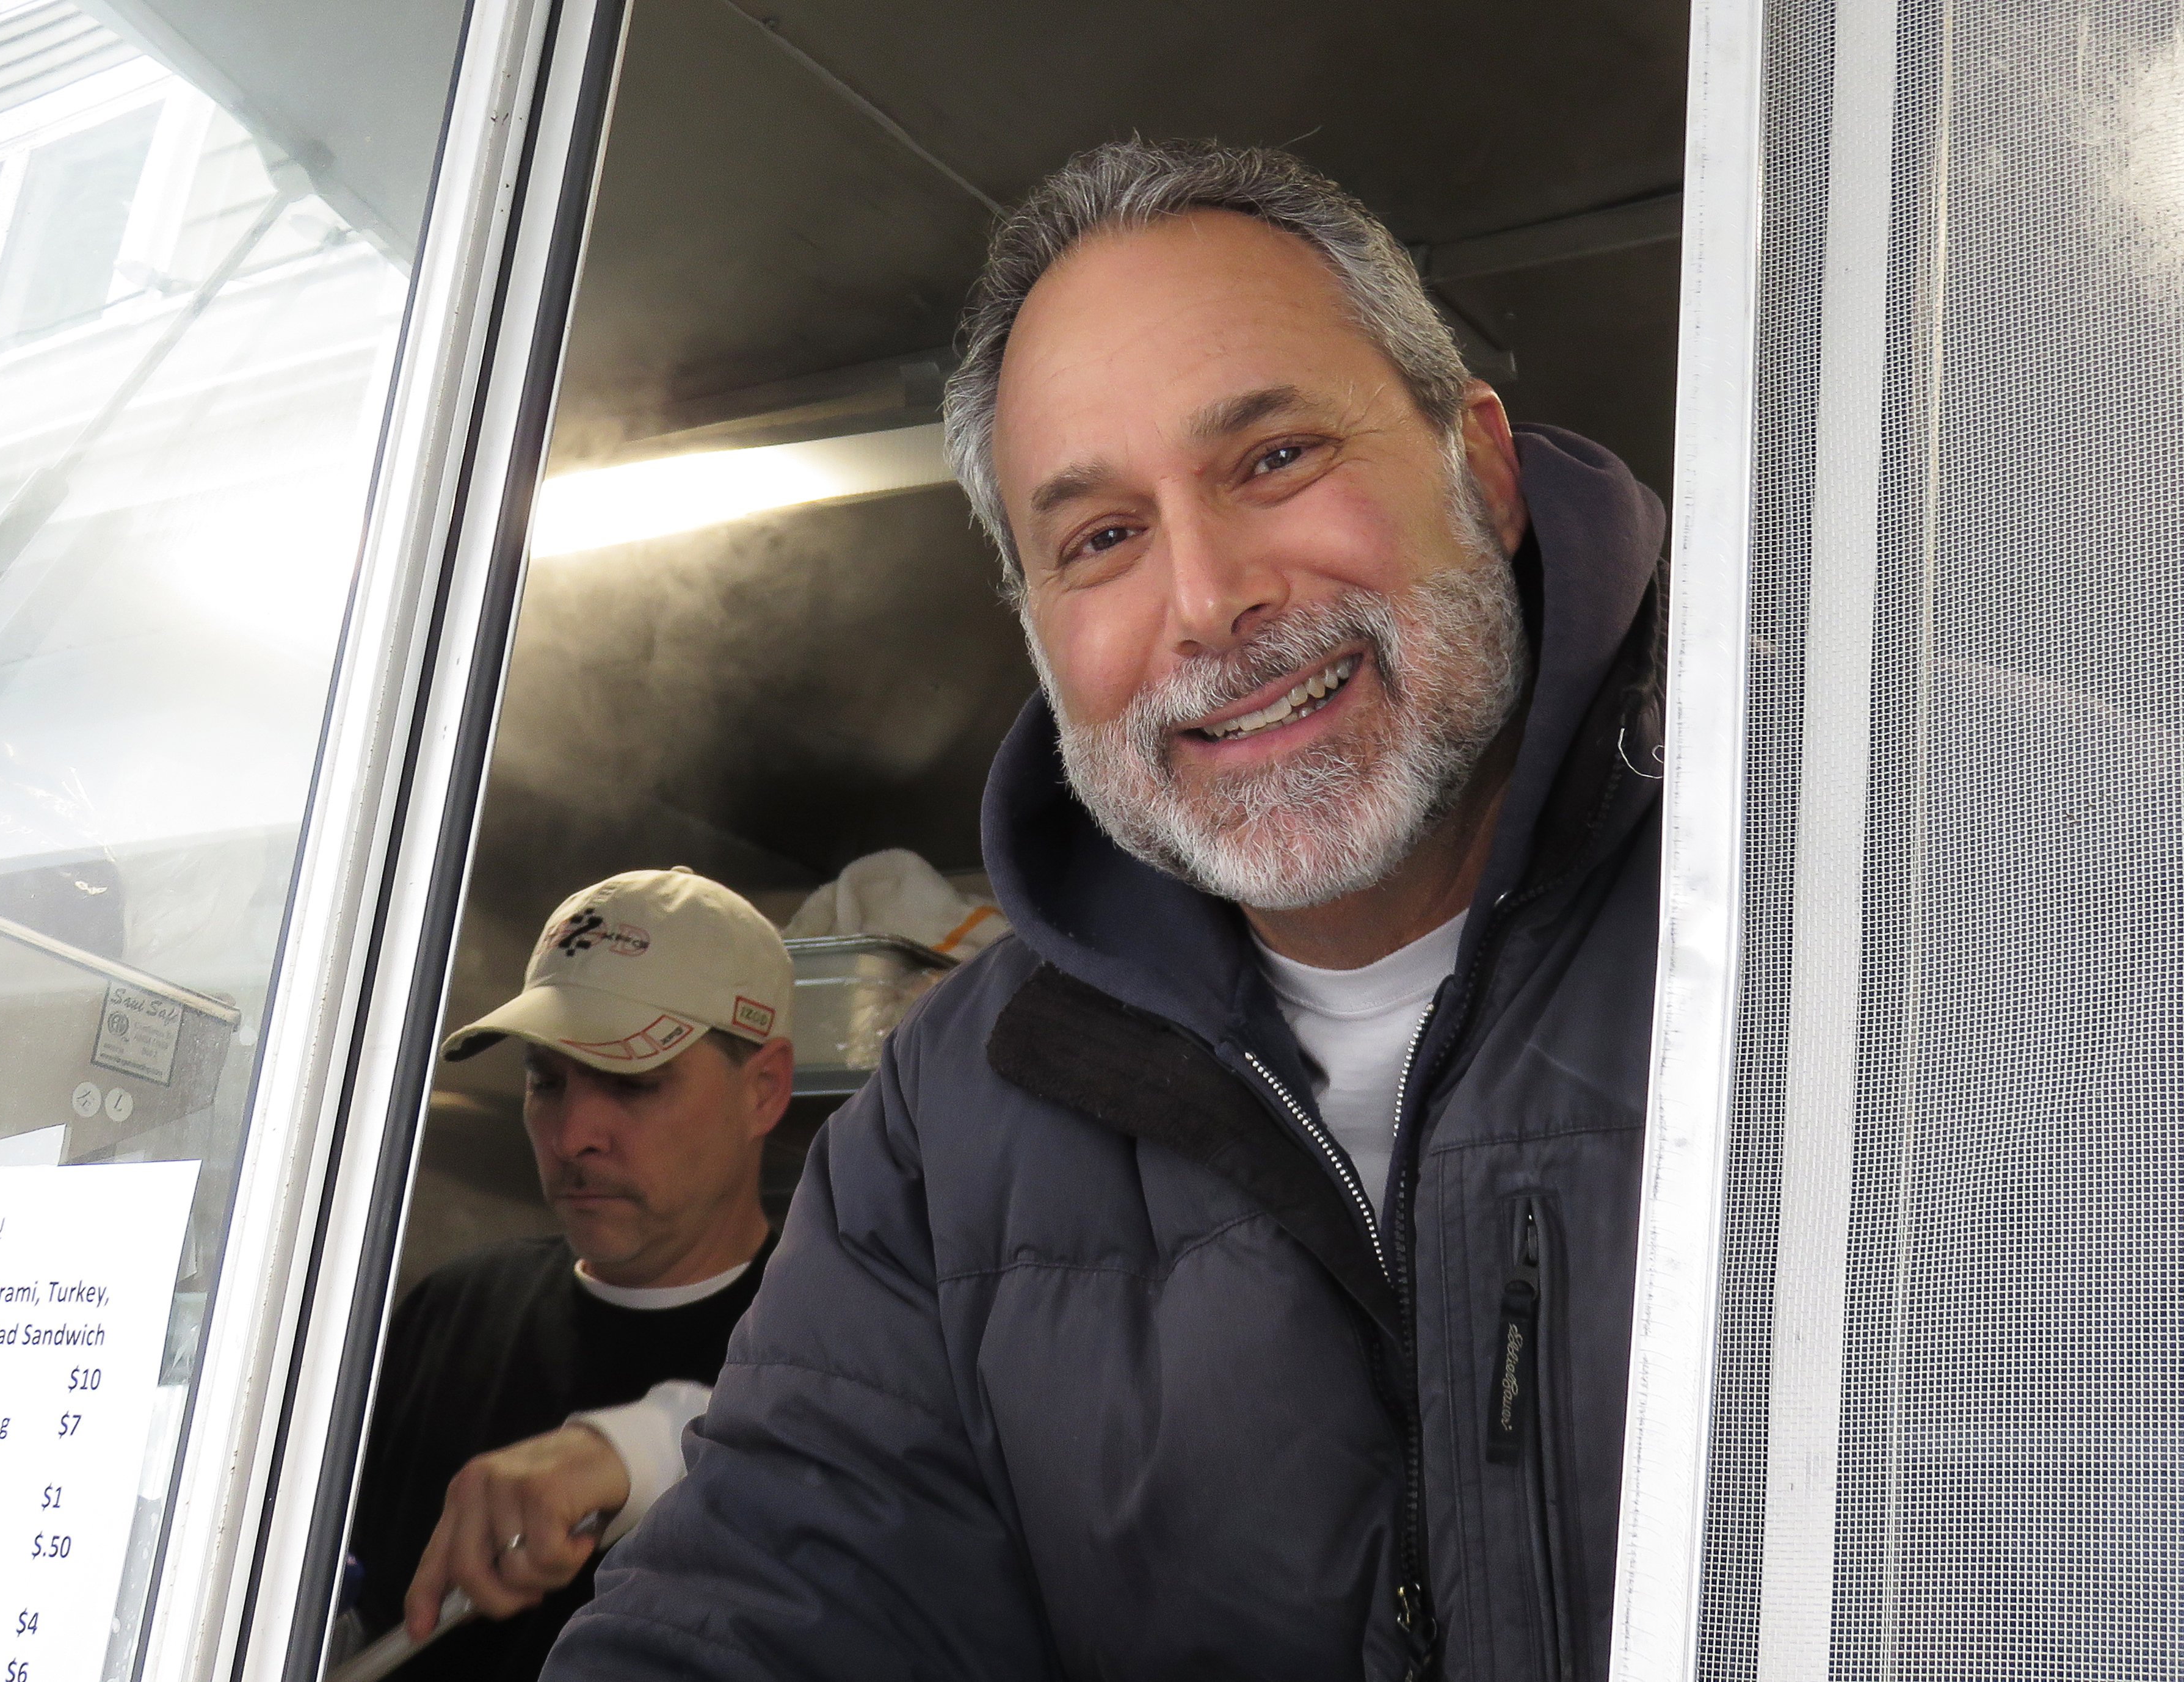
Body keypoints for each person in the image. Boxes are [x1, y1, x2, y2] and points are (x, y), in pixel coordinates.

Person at [550, 139, 1667, 1681]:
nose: (1208, 600)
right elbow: (764, 1604)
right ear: (1036, 629)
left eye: (1274, 457)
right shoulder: (953, 1122)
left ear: (1480, 464)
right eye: (1101, 540)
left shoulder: (1890, 888)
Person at [346, 867, 794, 1682]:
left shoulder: (836, 1336)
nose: (572, 1133)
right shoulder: (447, 1314)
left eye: (633, 1082)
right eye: (545, 1080)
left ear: (764, 1091)